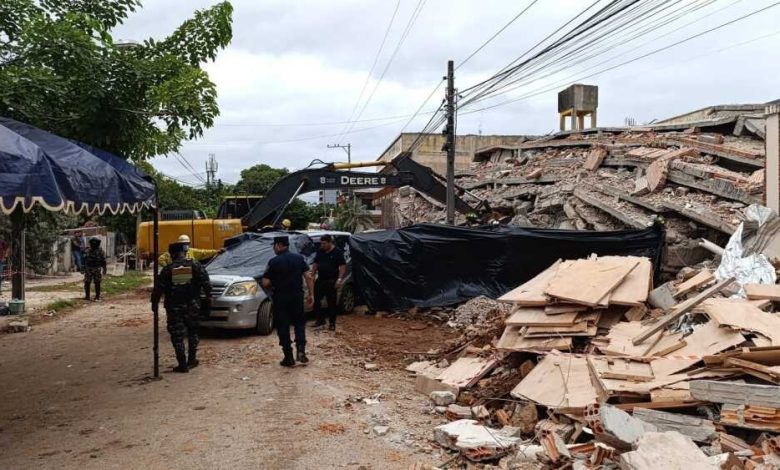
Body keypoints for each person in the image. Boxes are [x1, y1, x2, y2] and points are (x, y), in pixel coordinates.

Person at [151, 241, 210, 373]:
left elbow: (158, 290)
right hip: (192, 306)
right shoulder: (196, 265)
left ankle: (182, 363)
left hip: (174, 308)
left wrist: (154, 304)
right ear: (184, 252)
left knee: (177, 335)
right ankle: (192, 360)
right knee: (193, 332)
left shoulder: (168, 270)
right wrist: (208, 300)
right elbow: (206, 284)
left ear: (172, 254)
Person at [262, 236, 314, 367]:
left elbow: (266, 282)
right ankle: (301, 352)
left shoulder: (273, 262)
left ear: (278, 245)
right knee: (299, 324)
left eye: (274, 246)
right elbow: (309, 276)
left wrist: (273, 281)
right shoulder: (299, 259)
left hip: (281, 299)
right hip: (297, 297)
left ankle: (288, 357)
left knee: (283, 326)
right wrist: (311, 294)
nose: (274, 248)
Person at [312, 234, 346, 331]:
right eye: (321, 243)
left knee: (331, 303)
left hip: (332, 280)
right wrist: (313, 274)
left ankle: (332, 323)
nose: (322, 245)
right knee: (316, 300)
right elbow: (316, 262)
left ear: (330, 242)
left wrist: (339, 279)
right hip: (321, 279)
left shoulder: (337, 252)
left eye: (324, 243)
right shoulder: (320, 251)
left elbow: (342, 267)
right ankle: (320, 320)